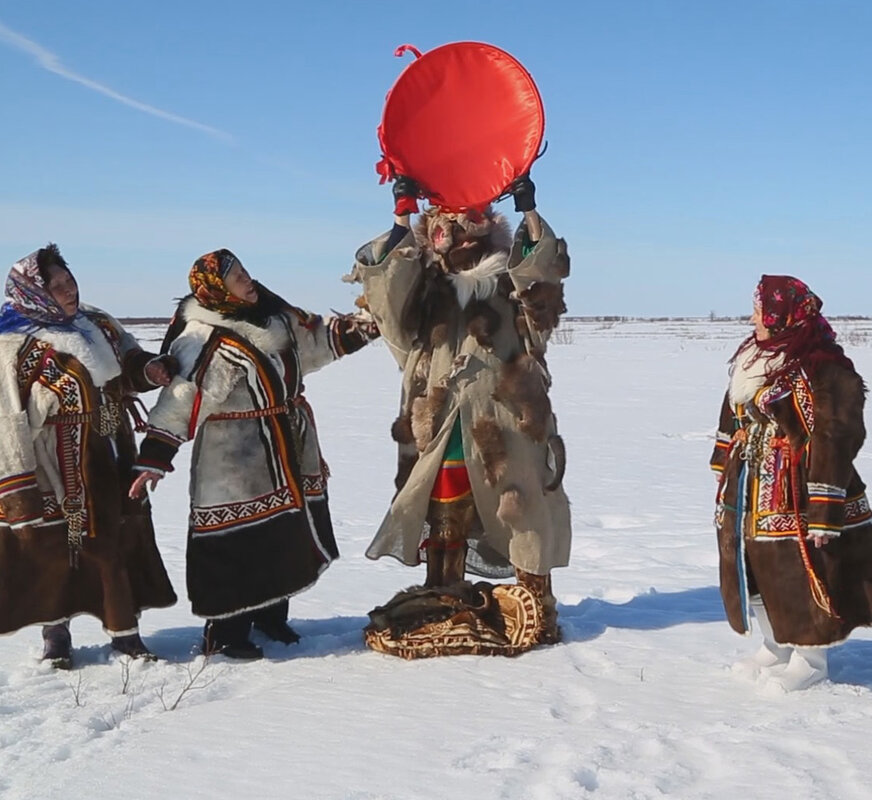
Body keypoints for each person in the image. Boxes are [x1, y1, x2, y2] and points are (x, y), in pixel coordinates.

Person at [346, 174, 571, 644]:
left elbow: (543, 279)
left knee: (523, 508)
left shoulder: (512, 289)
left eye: (467, 227)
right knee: (443, 507)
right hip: (441, 417)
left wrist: (529, 211)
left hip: (509, 422)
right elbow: (388, 295)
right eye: (445, 229)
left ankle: (538, 603)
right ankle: (443, 595)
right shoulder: (427, 293)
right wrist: (401, 216)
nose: (455, 237)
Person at [129, 249, 377, 659]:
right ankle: (225, 632)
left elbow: (313, 345)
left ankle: (270, 616)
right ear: (216, 290)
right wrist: (156, 453)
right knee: (239, 542)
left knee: (283, 533)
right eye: (236, 277)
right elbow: (184, 397)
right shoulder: (206, 337)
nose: (247, 279)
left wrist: (366, 326)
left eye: (245, 271)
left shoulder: (272, 318)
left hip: (285, 445)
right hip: (234, 457)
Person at [709, 275, 872, 690]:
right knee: (753, 569)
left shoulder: (824, 368)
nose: (753, 318)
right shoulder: (753, 357)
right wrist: (724, 460)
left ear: (783, 316)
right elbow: (732, 414)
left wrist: (823, 505)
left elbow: (837, 435)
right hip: (750, 485)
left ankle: (810, 658)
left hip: (798, 486)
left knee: (799, 570)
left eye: (760, 310)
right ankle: (775, 643)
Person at [0, 244, 177, 668]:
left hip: (111, 447)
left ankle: (125, 634)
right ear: (34, 292)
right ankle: (55, 635)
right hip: (54, 460)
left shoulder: (97, 323)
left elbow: (129, 362)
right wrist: (16, 488)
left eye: (69, 280)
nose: (68, 290)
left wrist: (149, 370)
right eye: (56, 285)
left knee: (115, 541)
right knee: (57, 547)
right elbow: (7, 419)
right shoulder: (12, 343)